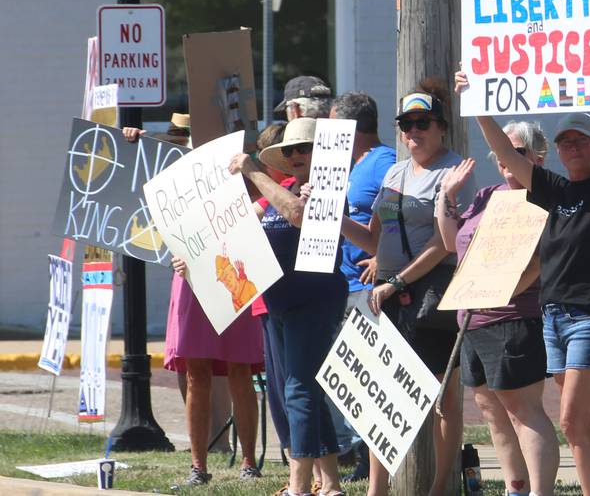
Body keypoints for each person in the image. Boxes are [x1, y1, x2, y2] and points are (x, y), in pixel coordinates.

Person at [457, 62, 590, 496]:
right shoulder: (554, 189)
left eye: (580, 140)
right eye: (564, 141)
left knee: (572, 420)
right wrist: (479, 106)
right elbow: (507, 154)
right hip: (553, 317)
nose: (572, 146)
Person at [340, 79, 475, 496]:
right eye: (406, 123)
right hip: (386, 295)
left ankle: (439, 487)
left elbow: (443, 244)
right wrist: (329, 217)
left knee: (442, 398)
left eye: (422, 122)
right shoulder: (396, 171)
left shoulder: (454, 172)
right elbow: (373, 238)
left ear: (440, 128)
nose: (413, 131)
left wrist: (396, 280)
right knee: (382, 395)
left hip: (432, 291)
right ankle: (376, 490)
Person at [125, 119, 263, 486]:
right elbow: (144, 201)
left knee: (240, 368)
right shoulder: (169, 172)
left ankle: (249, 462)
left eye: (189, 137)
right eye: (180, 138)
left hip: (235, 270)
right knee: (196, 371)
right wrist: (133, 140)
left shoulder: (236, 163)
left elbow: (256, 202)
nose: (185, 144)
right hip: (191, 277)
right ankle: (198, 467)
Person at [435, 121, 559, 496]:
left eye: (516, 151)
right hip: (472, 320)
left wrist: (499, 292)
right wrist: (446, 194)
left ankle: (540, 491)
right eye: (501, 152)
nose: (506, 159)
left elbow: (539, 261)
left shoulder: (542, 195)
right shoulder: (488, 195)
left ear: (537, 155)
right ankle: (515, 488)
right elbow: (448, 242)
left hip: (513, 317)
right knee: (491, 411)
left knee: (522, 410)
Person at [234, 117, 348, 496]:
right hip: (281, 304)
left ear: (323, 152)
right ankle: (329, 484)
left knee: (298, 390)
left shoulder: (329, 187)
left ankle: (299, 487)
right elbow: (250, 228)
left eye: (305, 148)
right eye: (290, 150)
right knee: (302, 392)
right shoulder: (287, 188)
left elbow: (296, 215)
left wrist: (252, 170)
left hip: (312, 300)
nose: (297, 155)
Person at [328, 91, 396, 481]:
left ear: (349, 127)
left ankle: (369, 462)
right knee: (351, 380)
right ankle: (360, 454)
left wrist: (382, 256)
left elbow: (397, 214)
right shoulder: (351, 167)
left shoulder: (384, 163)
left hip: (365, 287)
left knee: (370, 379)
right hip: (342, 284)